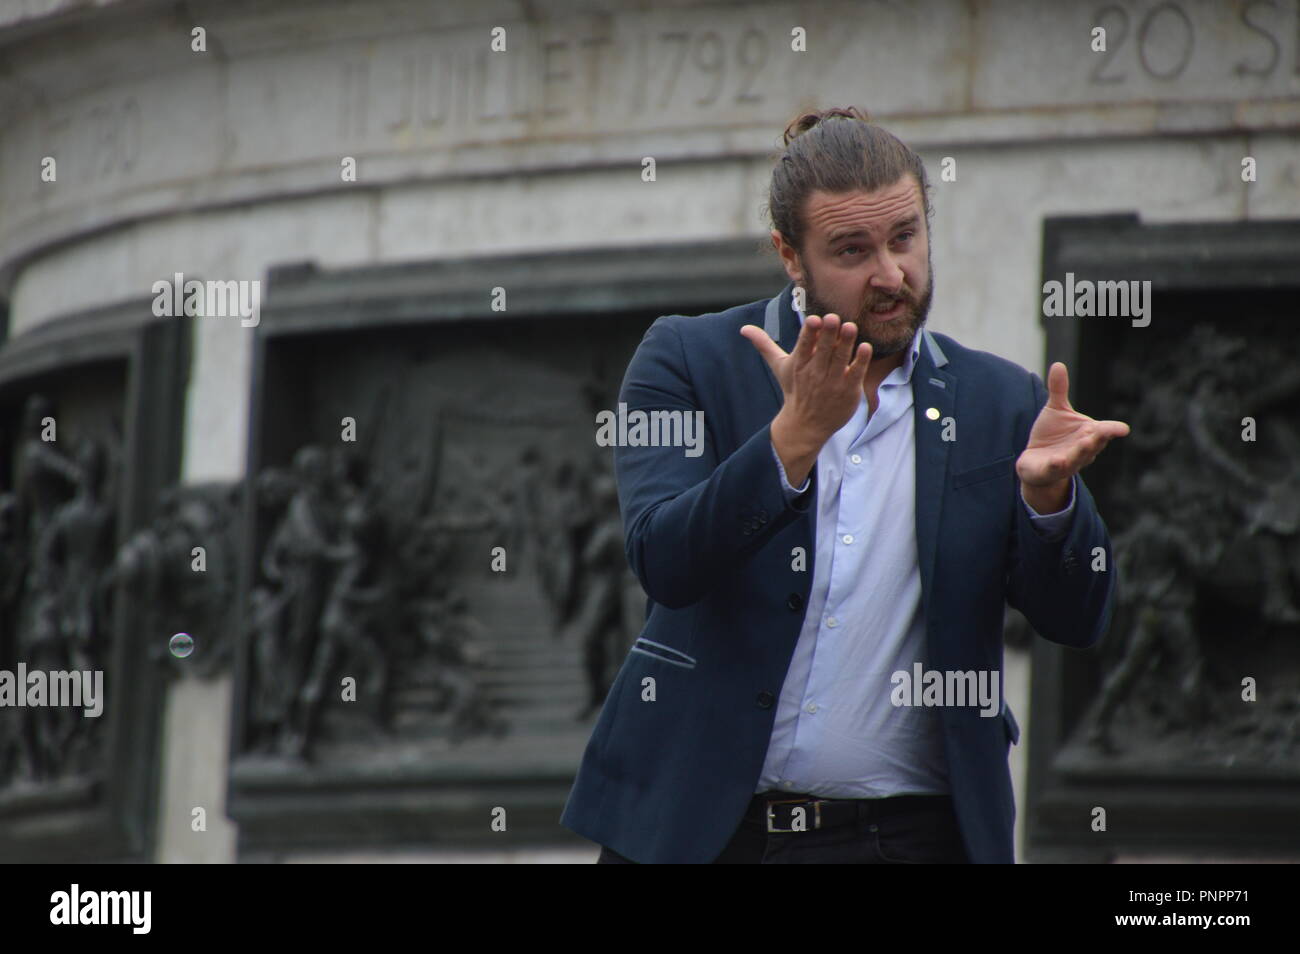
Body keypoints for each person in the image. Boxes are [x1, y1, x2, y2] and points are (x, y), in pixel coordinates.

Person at [559, 107, 1127, 864]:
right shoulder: (686, 361)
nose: (891, 275)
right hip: (704, 834)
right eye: (852, 250)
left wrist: (1051, 506)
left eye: (905, 238)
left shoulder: (1003, 402)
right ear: (790, 256)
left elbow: (1079, 621)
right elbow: (664, 560)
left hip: (911, 840)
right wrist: (793, 439)